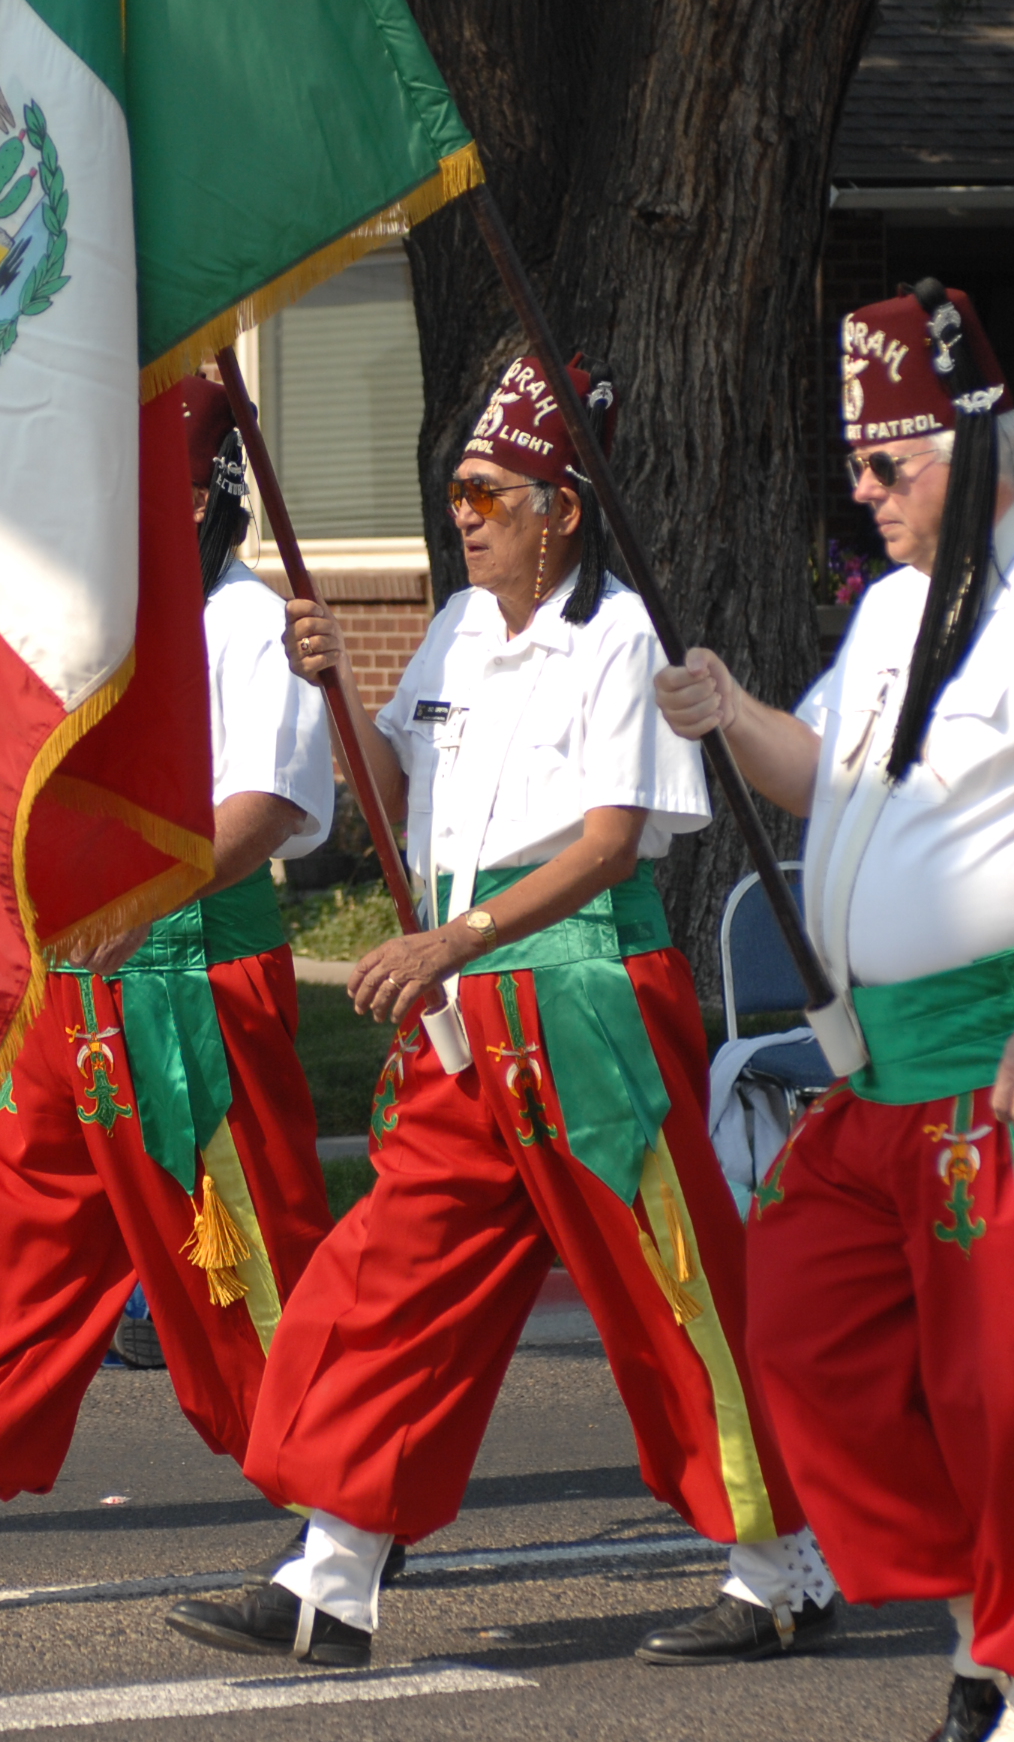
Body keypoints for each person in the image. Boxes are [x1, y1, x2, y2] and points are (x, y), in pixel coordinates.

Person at [162, 353, 828, 1675]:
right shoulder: (462, 628)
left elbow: (608, 842)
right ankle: (336, 1580)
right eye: (458, 491)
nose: (464, 514)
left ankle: (781, 1567)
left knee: (670, 1292)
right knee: (391, 1281)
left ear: (561, 510)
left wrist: (450, 937)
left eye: (490, 493)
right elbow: (390, 774)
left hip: (585, 1004)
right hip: (468, 1020)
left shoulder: (619, 634)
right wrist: (333, 684)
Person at [657, 284, 1014, 1742]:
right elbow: (820, 774)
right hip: (888, 1059)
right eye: (856, 465)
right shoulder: (899, 606)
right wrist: (728, 710)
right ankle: (986, 1622)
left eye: (885, 466)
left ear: (979, 450)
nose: (863, 493)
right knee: (800, 1323)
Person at [0, 377, 340, 1611]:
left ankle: (338, 1505)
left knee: (239, 1260)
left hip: (189, 980)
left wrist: (134, 908)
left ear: (198, 497)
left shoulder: (244, 624)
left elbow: (270, 809)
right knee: (8, 1237)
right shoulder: (81, 619)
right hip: (71, 984)